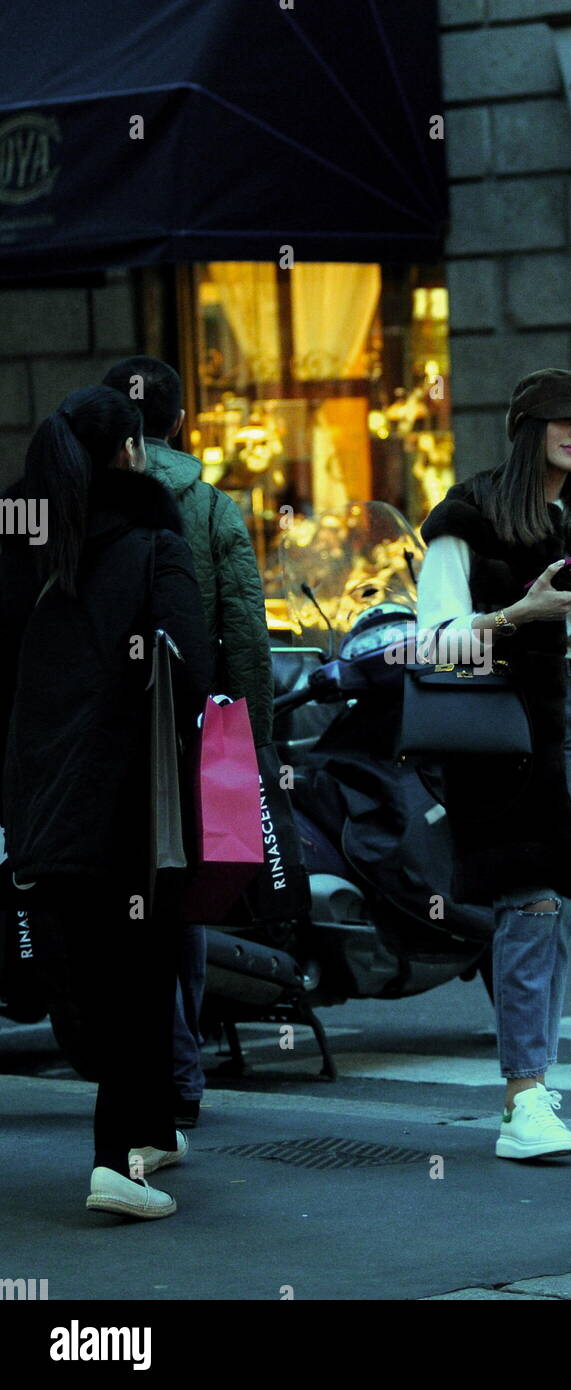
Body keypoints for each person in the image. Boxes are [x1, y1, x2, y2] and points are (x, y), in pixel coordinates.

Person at [416, 368, 571, 1160]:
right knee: (532, 901)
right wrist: (517, 615)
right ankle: (522, 1097)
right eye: (564, 422)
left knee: (559, 905)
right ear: (529, 428)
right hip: (501, 739)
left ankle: (534, 1083)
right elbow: (433, 642)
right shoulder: (470, 514)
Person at [0, 386, 211, 1220]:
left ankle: (150, 1130)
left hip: (37, 796)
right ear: (131, 452)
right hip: (129, 794)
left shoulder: (25, 546)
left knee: (91, 968)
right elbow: (192, 667)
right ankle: (114, 1164)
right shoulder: (156, 541)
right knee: (138, 970)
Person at [103, 357, 274, 1128]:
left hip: (103, 736)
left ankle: (153, 1070)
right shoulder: (210, 510)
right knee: (188, 893)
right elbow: (245, 635)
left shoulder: (76, 505)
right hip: (194, 732)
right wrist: (254, 745)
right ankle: (184, 1072)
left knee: (122, 904)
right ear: (178, 422)